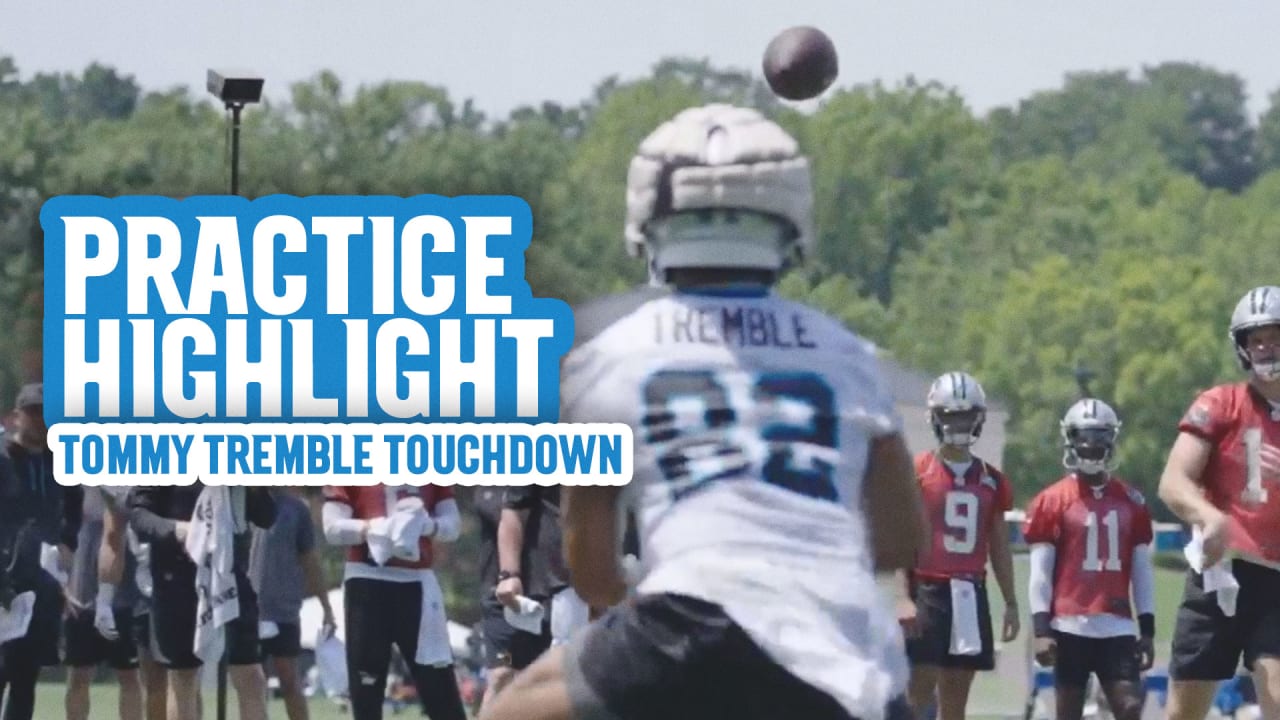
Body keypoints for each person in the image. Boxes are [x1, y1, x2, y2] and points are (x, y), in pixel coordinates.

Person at [479, 103, 926, 720]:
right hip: (838, 640)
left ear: (649, 218)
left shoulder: (611, 355)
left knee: (510, 708)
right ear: (790, 218)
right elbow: (902, 537)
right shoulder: (849, 355)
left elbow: (590, 566)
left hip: (687, 621)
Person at [1158, 285, 1280, 720]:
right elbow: (1174, 480)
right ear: (1243, 347)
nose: (1267, 348)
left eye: (1276, 337)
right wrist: (1207, 515)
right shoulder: (1220, 403)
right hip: (1219, 573)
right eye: (1257, 340)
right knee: (1183, 713)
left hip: (1277, 581)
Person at [1024, 398, 1156, 720]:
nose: (1091, 445)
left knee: (1130, 708)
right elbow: (1040, 571)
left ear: (1112, 440)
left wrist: (1148, 629)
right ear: (1070, 439)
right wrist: (1042, 629)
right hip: (1070, 624)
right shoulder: (1052, 500)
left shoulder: (1131, 501)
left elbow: (1141, 570)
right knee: (1068, 714)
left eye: (1099, 438)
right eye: (1084, 437)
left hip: (1117, 624)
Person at [898, 372, 1019, 720]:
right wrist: (902, 595)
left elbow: (998, 545)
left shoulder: (992, 479)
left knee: (956, 698)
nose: (959, 424)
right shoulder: (919, 469)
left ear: (978, 418)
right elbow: (902, 536)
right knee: (917, 691)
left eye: (965, 416)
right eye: (951, 416)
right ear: (935, 417)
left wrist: (1010, 600)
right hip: (928, 588)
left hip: (969, 589)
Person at [129, 483, 276, 720]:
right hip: (177, 576)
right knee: (184, 677)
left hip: (230, 576)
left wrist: (256, 487)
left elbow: (266, 517)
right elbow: (139, 517)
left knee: (251, 676)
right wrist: (178, 530)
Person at [320, 484, 468, 720]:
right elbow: (332, 528)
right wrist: (375, 528)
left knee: (440, 689)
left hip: (418, 583)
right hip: (367, 580)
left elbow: (453, 525)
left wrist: (427, 524)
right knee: (366, 689)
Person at [0, 382, 83, 720]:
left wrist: (67, 542)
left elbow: (74, 506)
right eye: (32, 413)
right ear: (17, 416)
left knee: (25, 677)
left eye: (46, 415)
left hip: (41, 585)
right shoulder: (3, 460)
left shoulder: (58, 463)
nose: (40, 421)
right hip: (5, 582)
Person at [248, 487, 336, 720]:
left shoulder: (295, 510)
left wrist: (326, 607)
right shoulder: (241, 503)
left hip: (283, 610)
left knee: (289, 679)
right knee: (254, 683)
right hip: (247, 609)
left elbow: (310, 561)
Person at [63, 486, 147, 720]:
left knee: (129, 675)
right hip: (82, 590)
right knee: (79, 674)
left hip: (124, 592)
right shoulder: (79, 482)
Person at [101, 488, 168, 720]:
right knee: (161, 681)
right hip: (147, 590)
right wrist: (104, 599)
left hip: (173, 584)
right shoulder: (132, 487)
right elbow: (113, 535)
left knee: (178, 680)